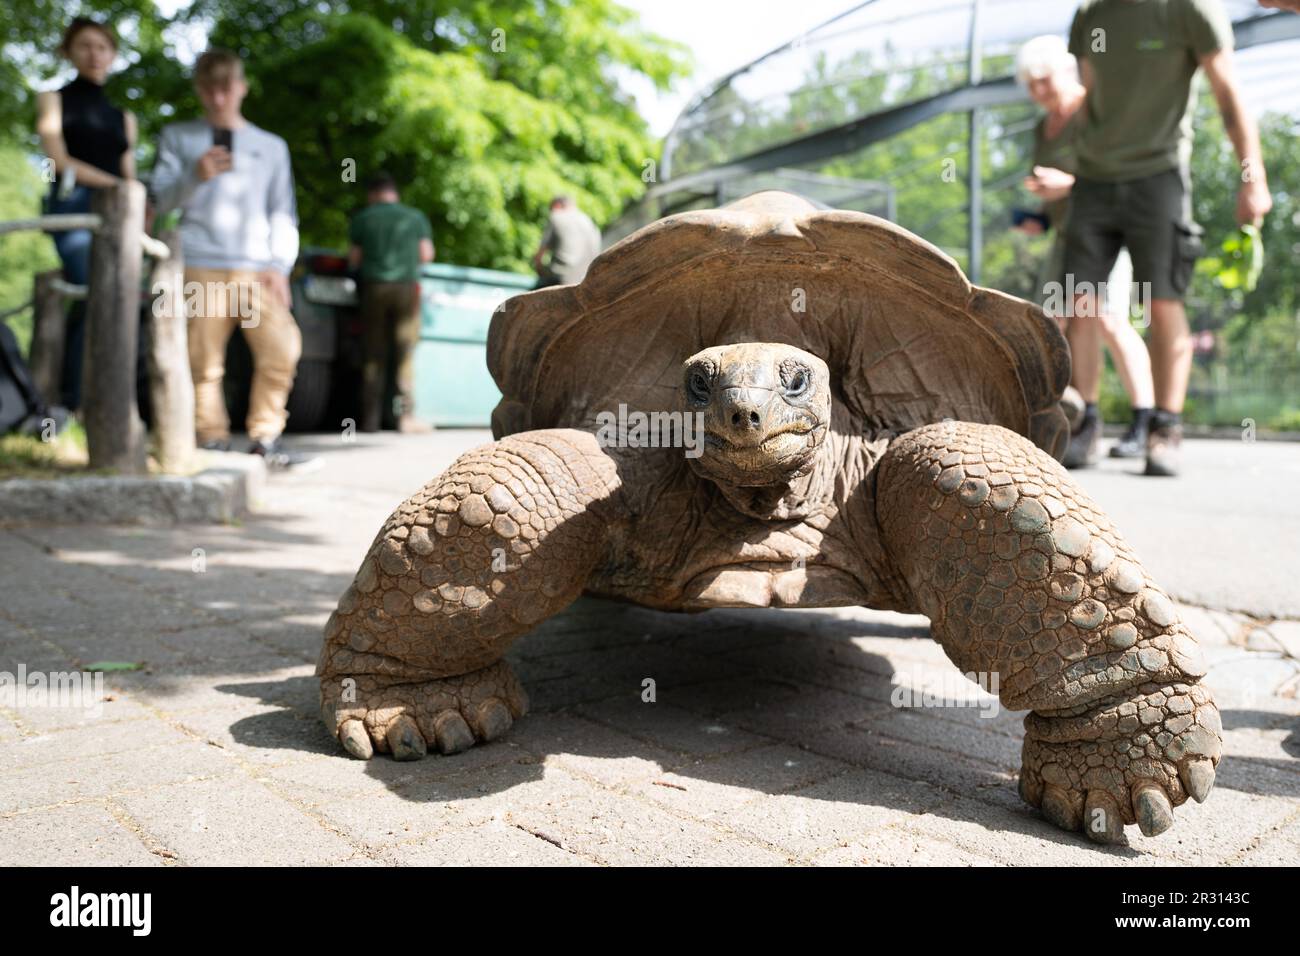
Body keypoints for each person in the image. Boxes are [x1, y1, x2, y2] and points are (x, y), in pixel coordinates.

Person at [1064, 0, 1271, 476]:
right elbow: (1090, 94)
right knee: (1081, 301)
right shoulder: (1089, 15)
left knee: (1162, 297)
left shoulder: (1190, 9)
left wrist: (1252, 175)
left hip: (1158, 175)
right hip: (1093, 177)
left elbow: (1228, 93)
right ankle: (1086, 422)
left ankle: (1165, 426)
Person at [150, 49, 317, 470]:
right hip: (200, 262)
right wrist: (194, 175)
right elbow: (155, 202)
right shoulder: (178, 137)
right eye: (209, 89)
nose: (219, 98)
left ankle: (265, 439)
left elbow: (283, 210)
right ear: (199, 90)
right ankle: (212, 441)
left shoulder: (271, 146)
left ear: (241, 87)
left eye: (226, 87)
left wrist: (280, 265)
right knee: (203, 361)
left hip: (257, 269)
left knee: (282, 349)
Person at [1014, 35, 1157, 465]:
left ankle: (1145, 420)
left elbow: (1122, 178)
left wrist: (1070, 185)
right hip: (1066, 236)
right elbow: (1054, 192)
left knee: (1107, 320)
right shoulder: (1044, 127)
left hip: (1107, 231)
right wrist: (1039, 212)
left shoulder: (1096, 111)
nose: (1040, 91)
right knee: (1054, 323)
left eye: (1045, 80)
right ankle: (1078, 419)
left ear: (1066, 70)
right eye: (1031, 84)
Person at [35, 17, 137, 412]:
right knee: (96, 287)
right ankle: (76, 401)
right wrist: (116, 187)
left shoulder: (122, 117)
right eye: (85, 46)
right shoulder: (52, 99)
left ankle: (81, 400)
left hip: (118, 217)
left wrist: (132, 201)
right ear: (69, 52)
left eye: (102, 47)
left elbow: (129, 175)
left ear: (112, 55)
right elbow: (57, 160)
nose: (94, 54)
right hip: (74, 211)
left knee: (111, 296)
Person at [347, 172, 434, 433]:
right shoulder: (414, 217)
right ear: (393, 191)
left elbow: (354, 259)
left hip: (373, 289)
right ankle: (405, 418)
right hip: (407, 288)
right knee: (405, 353)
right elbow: (426, 255)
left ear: (373, 194)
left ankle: (370, 420)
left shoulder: (363, 218)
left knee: (373, 355)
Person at [532, 195, 601, 289]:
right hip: (587, 278)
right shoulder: (588, 221)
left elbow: (539, 256)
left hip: (561, 279)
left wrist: (540, 271)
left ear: (557, 206)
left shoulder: (557, 216)